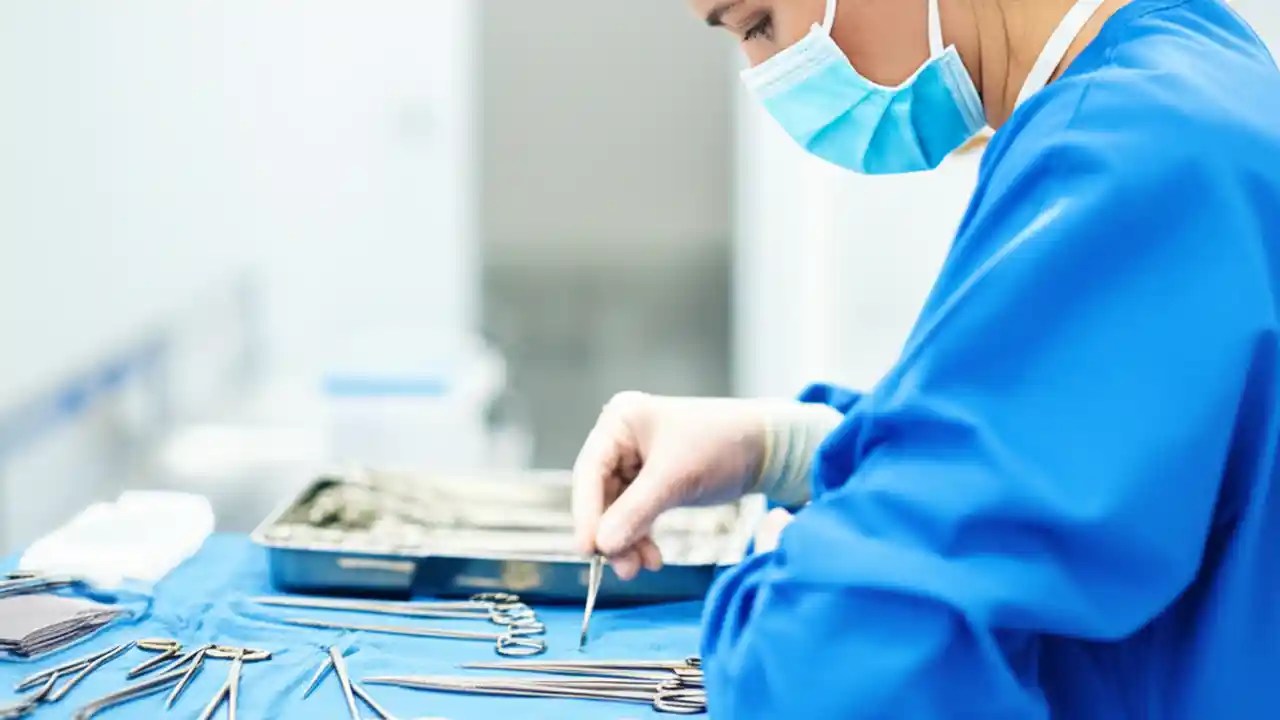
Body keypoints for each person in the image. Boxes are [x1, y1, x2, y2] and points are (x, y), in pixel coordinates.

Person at [570, 0, 1280, 717]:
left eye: (758, 23)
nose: (766, 76)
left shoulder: (1122, 157)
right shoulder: (1193, 68)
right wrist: (787, 447)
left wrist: (777, 568)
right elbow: (1110, 458)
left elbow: (838, 672)